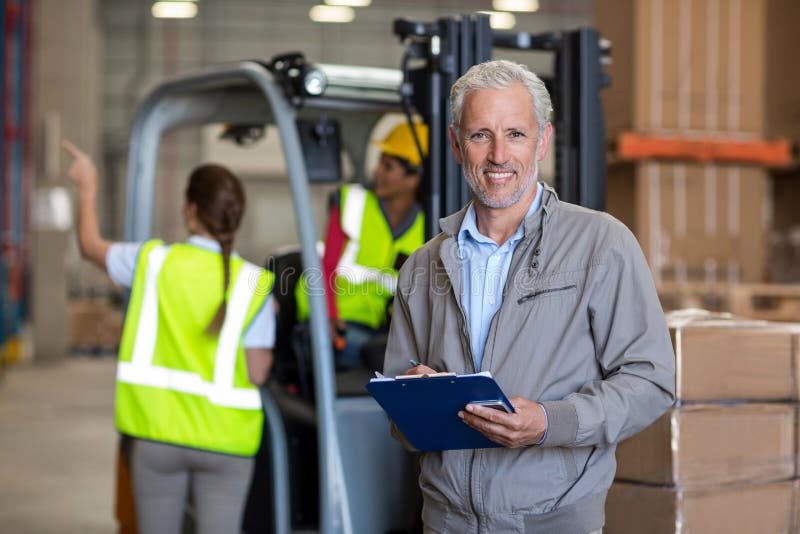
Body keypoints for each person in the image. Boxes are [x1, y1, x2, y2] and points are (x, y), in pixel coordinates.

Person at [383, 60, 676, 532]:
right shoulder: (423, 265)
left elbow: (652, 381)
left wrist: (549, 421)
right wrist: (414, 397)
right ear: (457, 145)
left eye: (516, 134)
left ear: (542, 141)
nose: (499, 155)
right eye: (480, 135)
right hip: (447, 520)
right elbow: (399, 414)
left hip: (553, 519)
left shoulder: (601, 244)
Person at [63, 140, 276, 534]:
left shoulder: (152, 261)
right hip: (227, 440)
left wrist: (87, 185)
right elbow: (257, 371)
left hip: (156, 434)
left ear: (190, 208)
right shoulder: (254, 284)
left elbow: (91, 247)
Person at [296, 120, 427, 370]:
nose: (377, 172)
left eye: (388, 167)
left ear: (413, 179)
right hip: (333, 322)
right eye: (380, 163)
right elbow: (325, 267)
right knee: (380, 357)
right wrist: (328, 317)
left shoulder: (427, 223)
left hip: (381, 329)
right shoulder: (352, 203)